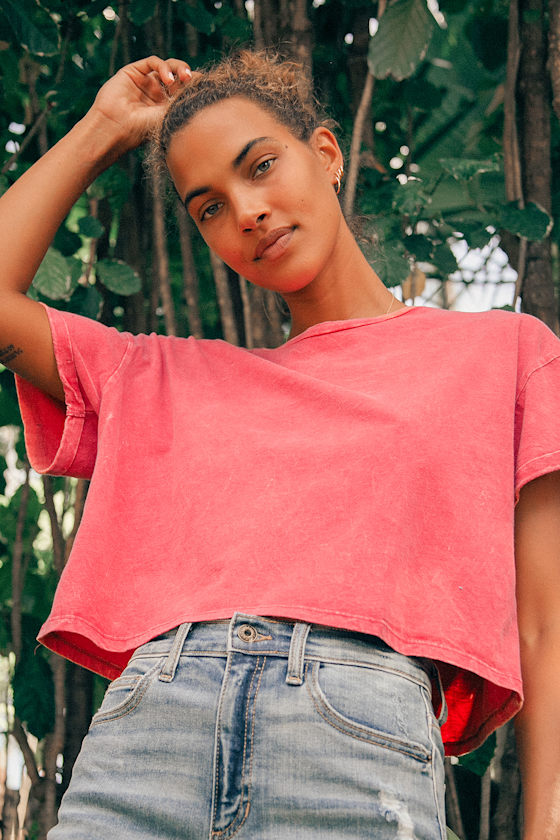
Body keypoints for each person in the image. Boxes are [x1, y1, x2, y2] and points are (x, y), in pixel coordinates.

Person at [1, 50, 560, 840]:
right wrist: (101, 129)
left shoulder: (507, 354)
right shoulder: (157, 374)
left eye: (261, 166)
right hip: (146, 747)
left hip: (356, 756)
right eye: (210, 208)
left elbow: (547, 626)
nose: (247, 212)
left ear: (326, 154)